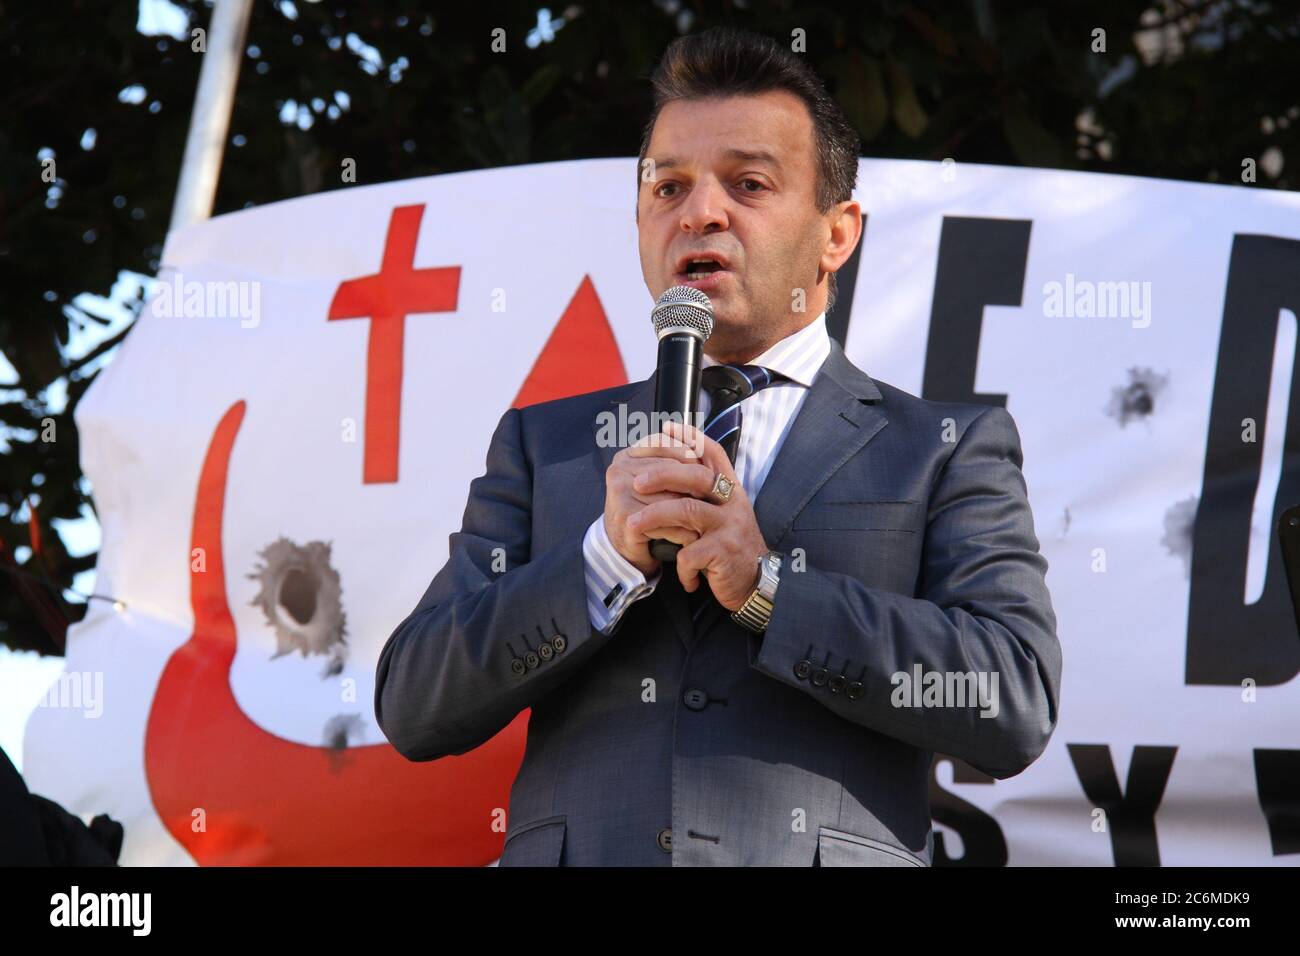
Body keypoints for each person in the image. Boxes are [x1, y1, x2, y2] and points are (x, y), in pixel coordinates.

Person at [375, 26, 1060, 866]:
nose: (700, 211)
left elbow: (1010, 701)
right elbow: (413, 703)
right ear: (638, 223)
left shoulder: (942, 448)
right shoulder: (545, 444)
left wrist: (768, 588)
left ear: (836, 234)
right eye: (667, 188)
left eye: (748, 183)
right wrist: (601, 562)